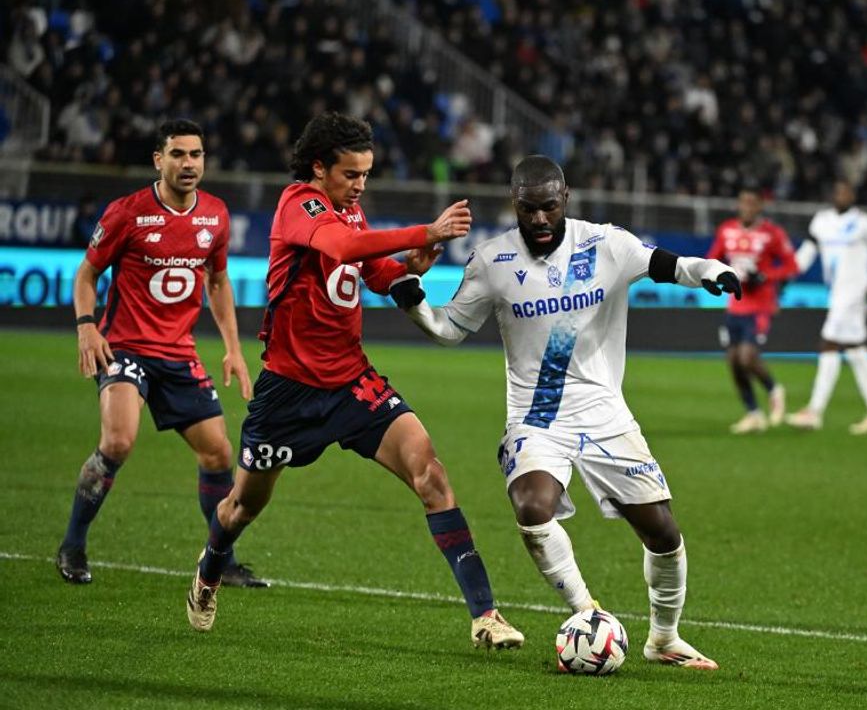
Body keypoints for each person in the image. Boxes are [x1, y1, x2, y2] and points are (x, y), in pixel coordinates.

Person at [185, 111, 524, 651]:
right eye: (351, 174)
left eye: (366, 174)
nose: (360, 185)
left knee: (430, 473)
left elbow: (373, 273)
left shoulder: (350, 212)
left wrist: (415, 265)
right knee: (243, 507)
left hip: (352, 381)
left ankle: (486, 614)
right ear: (319, 168)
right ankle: (210, 567)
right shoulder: (298, 205)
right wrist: (426, 230)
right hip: (289, 392)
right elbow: (339, 250)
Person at [398, 155, 742, 670]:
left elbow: (667, 264)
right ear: (514, 204)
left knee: (663, 532)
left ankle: (663, 638)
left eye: (549, 207)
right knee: (532, 507)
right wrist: (415, 304)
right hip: (535, 419)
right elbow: (451, 328)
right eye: (528, 208)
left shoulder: (605, 243)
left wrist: (711, 271)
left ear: (566, 200)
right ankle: (588, 614)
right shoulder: (491, 261)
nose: (539, 219)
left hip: (604, 412)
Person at [61, 119, 263, 587]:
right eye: (178, 154)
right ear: (159, 160)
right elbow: (87, 274)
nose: (188, 163)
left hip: (178, 352)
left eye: (196, 155)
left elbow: (217, 281)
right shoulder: (126, 213)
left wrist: (233, 348)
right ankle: (73, 545)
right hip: (126, 346)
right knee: (118, 441)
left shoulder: (215, 214)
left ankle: (221, 560)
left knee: (218, 453)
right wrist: (86, 327)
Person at [786, 180, 867, 435]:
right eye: (837, 191)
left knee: (829, 343)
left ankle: (814, 411)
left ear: (853, 196)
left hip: (857, 291)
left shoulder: (864, 223)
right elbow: (808, 252)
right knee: (855, 348)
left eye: (846, 192)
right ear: (832, 195)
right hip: (836, 291)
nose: (841, 195)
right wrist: (787, 273)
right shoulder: (821, 222)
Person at [707, 188, 796, 433]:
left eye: (751, 203)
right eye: (742, 202)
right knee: (734, 361)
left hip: (760, 305)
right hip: (735, 304)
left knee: (747, 356)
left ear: (759, 207)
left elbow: (791, 265)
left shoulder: (773, 234)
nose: (746, 207)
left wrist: (767, 275)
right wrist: (718, 274)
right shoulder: (727, 230)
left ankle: (774, 389)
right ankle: (753, 413)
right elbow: (712, 258)